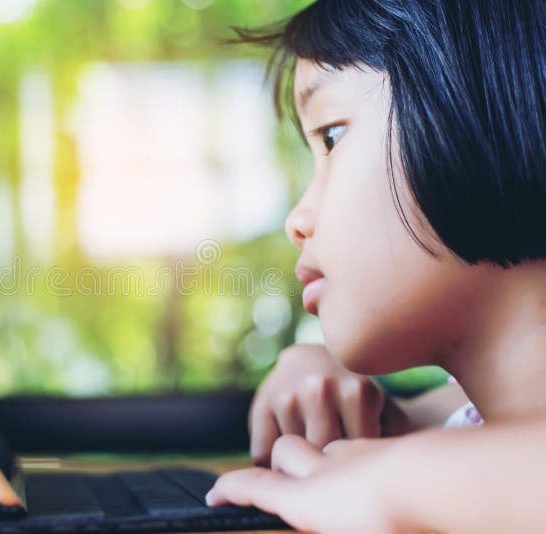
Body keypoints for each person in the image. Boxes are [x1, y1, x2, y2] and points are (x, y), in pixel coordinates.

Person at [206, 0, 546, 530]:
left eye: (331, 137)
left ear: (475, 103)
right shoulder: (474, 427)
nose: (298, 219)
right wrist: (386, 419)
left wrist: (400, 485)